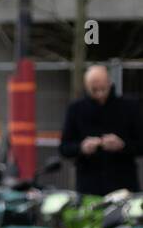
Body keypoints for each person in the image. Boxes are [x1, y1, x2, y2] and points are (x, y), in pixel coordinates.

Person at [58, 64, 142, 197]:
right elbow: (64, 148)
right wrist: (82, 147)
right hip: (89, 187)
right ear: (87, 87)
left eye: (103, 88)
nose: (100, 93)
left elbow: (140, 145)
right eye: (94, 89)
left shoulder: (130, 107)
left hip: (124, 186)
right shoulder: (76, 109)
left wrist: (122, 145)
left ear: (109, 83)